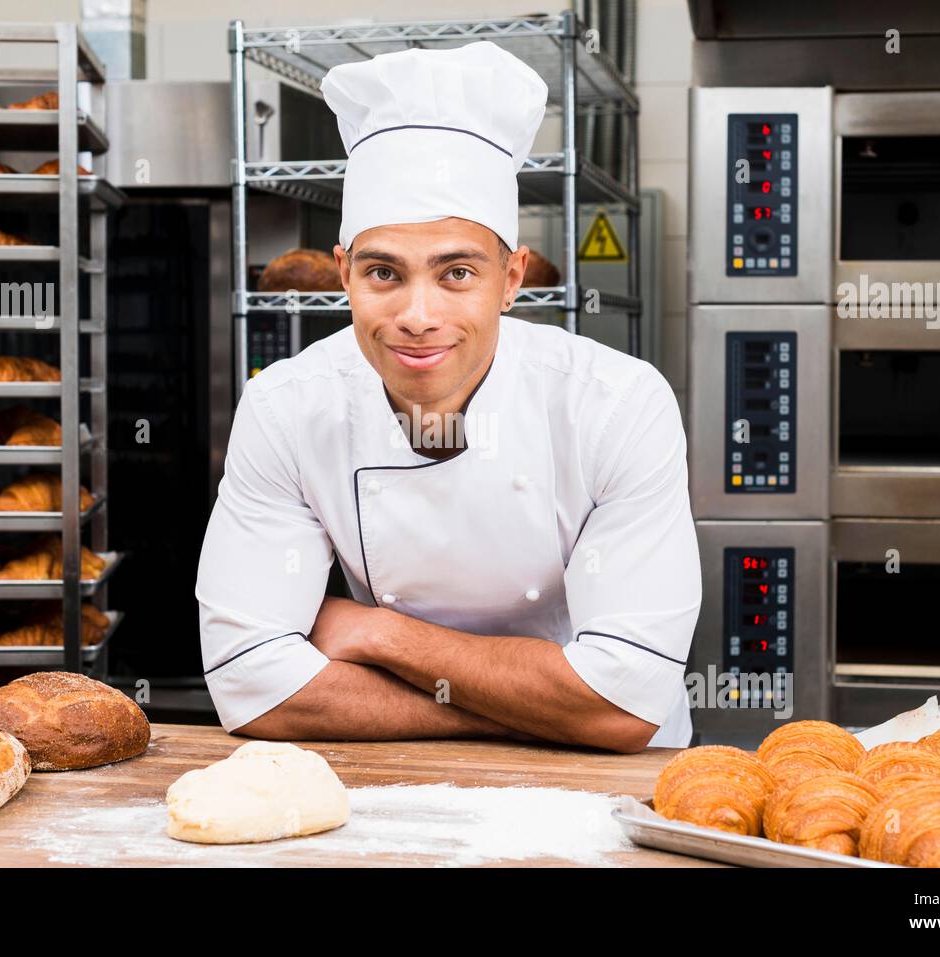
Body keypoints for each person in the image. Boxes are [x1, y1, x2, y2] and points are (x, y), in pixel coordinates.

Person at [196, 40, 700, 752]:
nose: (418, 314)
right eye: (383, 273)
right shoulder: (287, 409)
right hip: (394, 780)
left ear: (513, 277)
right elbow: (250, 682)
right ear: (344, 274)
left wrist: (379, 631)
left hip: (612, 785)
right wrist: (552, 710)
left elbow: (625, 702)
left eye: (457, 272)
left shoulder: (615, 405)